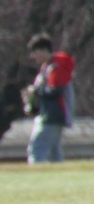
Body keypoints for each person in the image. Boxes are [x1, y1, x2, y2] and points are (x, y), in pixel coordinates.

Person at [24, 34, 76, 165]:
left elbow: (54, 91)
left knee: (36, 148)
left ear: (43, 50)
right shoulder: (48, 66)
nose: (32, 56)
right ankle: (60, 181)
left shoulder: (56, 66)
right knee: (54, 153)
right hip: (49, 115)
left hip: (53, 116)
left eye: (34, 52)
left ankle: (36, 180)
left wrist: (35, 91)